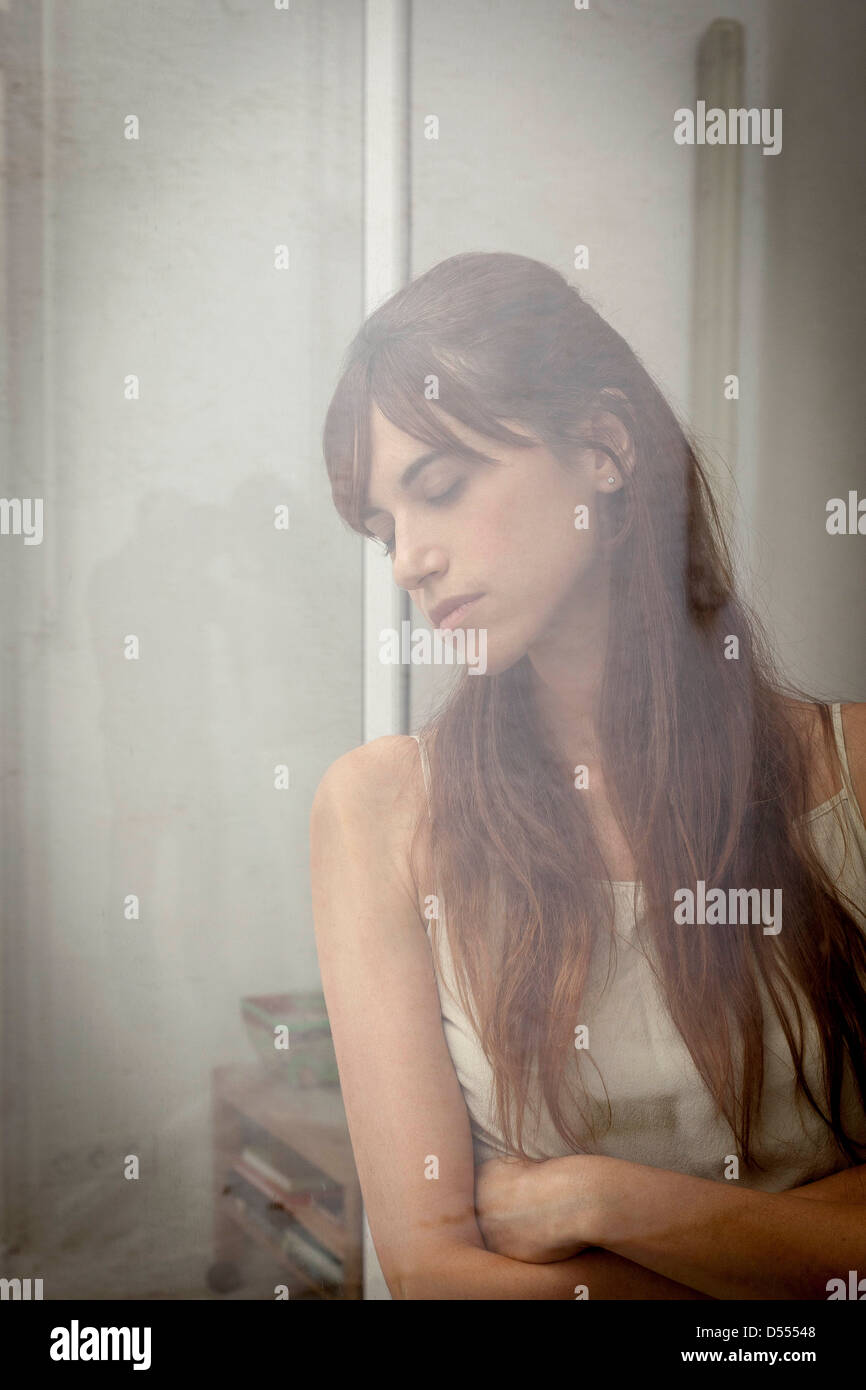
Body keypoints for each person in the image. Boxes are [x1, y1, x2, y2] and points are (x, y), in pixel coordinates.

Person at [310, 251, 866, 1299]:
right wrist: (782, 1256)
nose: (405, 563)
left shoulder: (850, 769)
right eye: (383, 529)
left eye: (439, 488)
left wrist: (598, 1204)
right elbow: (434, 1273)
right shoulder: (377, 810)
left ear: (603, 448)